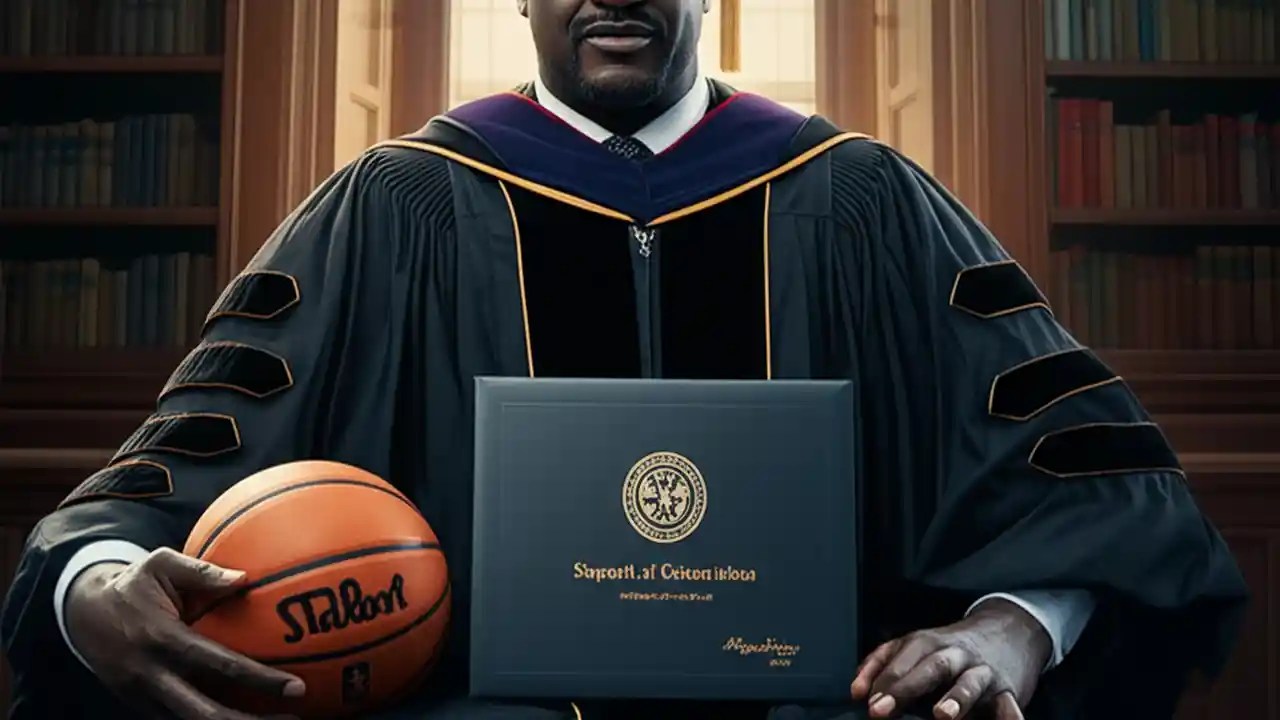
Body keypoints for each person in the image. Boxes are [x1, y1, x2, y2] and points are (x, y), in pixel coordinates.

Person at [1, 1, 1247, 719]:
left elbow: (1080, 475)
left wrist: (1012, 630)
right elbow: (189, 455)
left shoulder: (858, 199)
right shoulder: (394, 207)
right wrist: (97, 579)